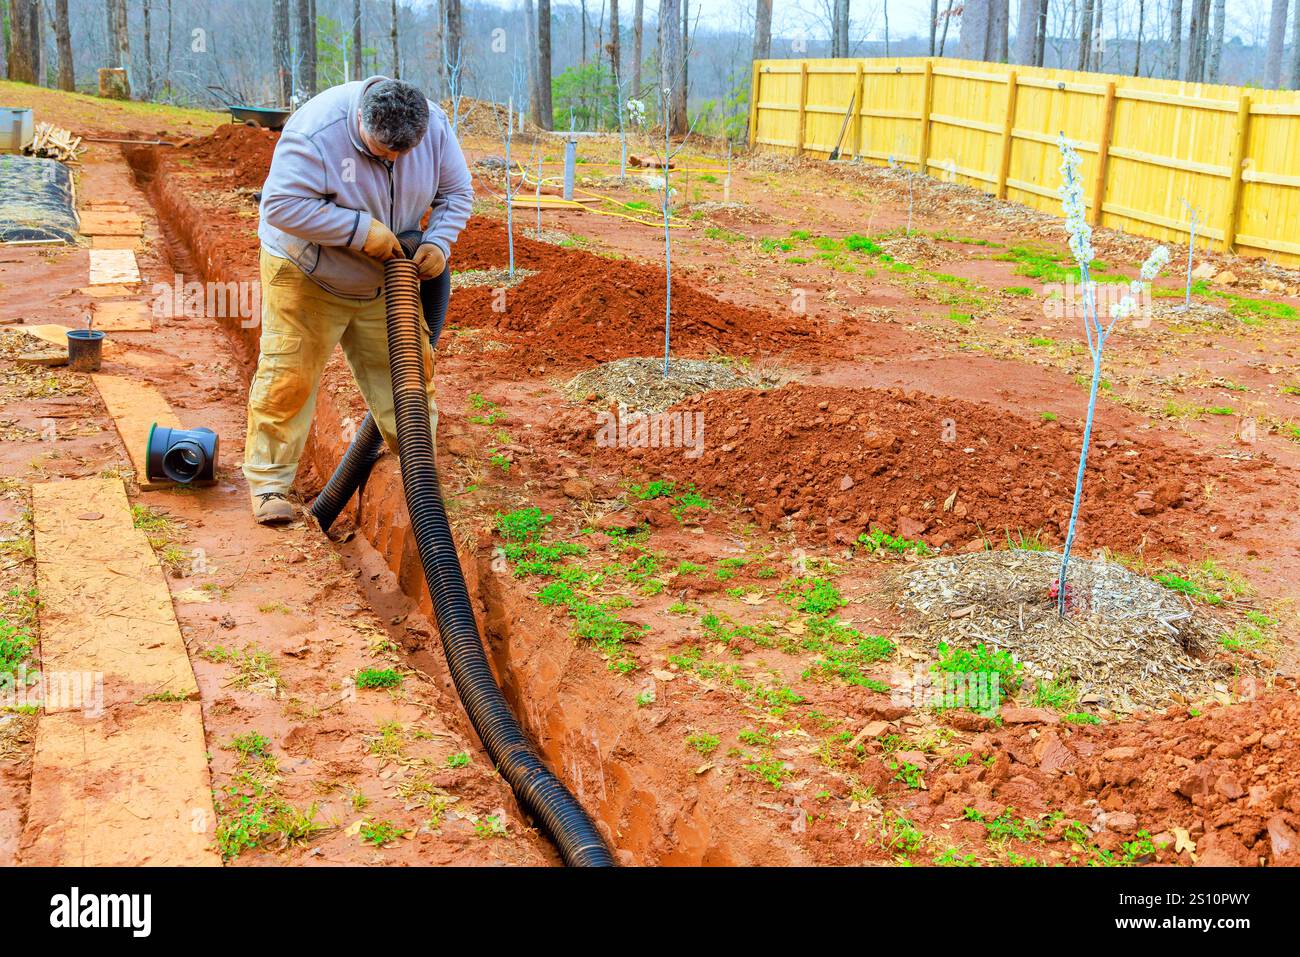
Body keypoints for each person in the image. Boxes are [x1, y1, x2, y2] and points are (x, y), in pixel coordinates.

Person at [244, 76, 472, 524]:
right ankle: (270, 485)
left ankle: (417, 467)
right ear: (361, 120)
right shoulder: (316, 133)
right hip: (308, 273)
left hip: (384, 276)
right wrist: (359, 232)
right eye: (383, 152)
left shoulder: (436, 129)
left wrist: (440, 242)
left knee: (407, 369)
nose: (395, 160)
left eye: (403, 154)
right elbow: (281, 206)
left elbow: (457, 193)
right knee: (290, 376)